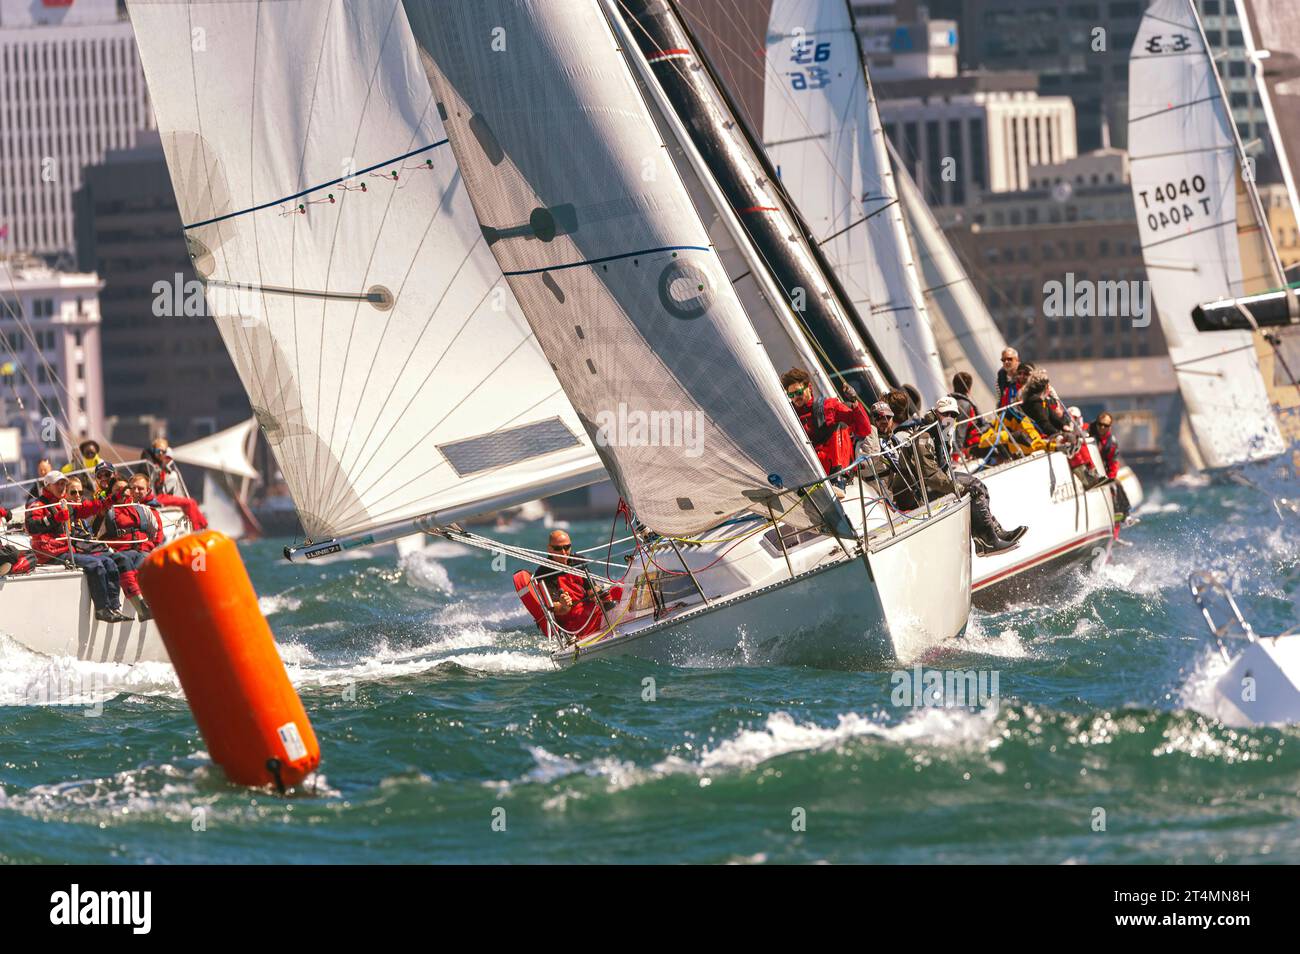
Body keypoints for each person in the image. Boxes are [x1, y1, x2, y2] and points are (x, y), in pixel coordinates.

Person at [879, 393, 1025, 553]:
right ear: (936, 413)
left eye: (954, 415)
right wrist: (957, 487)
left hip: (931, 482)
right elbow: (931, 475)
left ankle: (994, 532)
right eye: (946, 413)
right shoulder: (924, 436)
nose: (950, 417)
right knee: (972, 490)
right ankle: (988, 541)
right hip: (918, 492)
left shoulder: (941, 433)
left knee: (978, 485)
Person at [24, 471, 128, 622]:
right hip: (50, 554)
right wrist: (54, 518)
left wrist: (110, 500)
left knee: (109, 562)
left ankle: (114, 607)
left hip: (66, 550)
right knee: (96, 564)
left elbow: (89, 508)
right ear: (48, 486)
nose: (62, 487)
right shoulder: (38, 505)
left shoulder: (65, 504)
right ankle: (101, 609)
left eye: (63, 484)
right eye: (58, 484)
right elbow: (31, 527)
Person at [780, 367, 872, 479]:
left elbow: (864, 430)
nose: (795, 398)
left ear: (809, 388)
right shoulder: (788, 415)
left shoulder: (828, 406)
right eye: (791, 395)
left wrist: (854, 401)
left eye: (798, 392)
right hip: (807, 471)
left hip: (834, 469)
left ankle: (840, 477)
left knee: (840, 426)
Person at [531, 530, 615, 639]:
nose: (563, 552)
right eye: (558, 548)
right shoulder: (543, 574)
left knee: (619, 589)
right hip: (572, 621)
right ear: (549, 549)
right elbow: (555, 608)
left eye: (567, 547)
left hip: (589, 609)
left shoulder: (578, 561)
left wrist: (600, 594)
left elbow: (591, 590)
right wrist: (563, 605)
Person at [1090, 412, 1132, 533]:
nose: (1102, 427)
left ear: (1110, 427)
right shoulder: (1088, 432)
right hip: (1091, 468)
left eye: (1106, 425)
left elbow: (1113, 462)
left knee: (1116, 484)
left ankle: (1125, 513)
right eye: (1100, 424)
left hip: (1105, 470)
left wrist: (1110, 478)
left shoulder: (1112, 443)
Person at [949, 372, 985, 460]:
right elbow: (960, 431)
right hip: (972, 447)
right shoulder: (965, 405)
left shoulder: (950, 403)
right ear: (969, 389)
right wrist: (956, 454)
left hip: (966, 447)